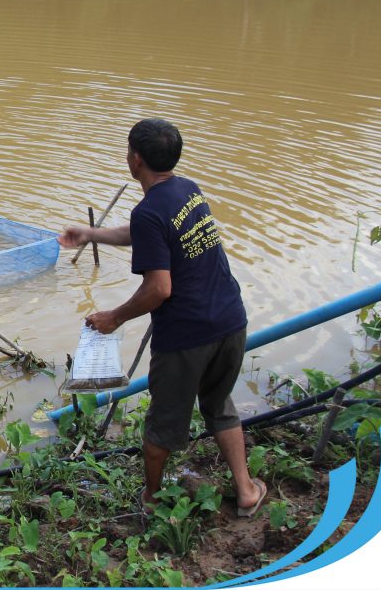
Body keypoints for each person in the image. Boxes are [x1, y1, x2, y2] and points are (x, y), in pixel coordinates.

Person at [59, 118, 266, 517]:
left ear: (135, 159)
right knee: (219, 404)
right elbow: (147, 232)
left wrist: (114, 317)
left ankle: (152, 499)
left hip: (188, 335)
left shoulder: (150, 212)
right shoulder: (187, 189)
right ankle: (245, 491)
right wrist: (90, 233)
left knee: (162, 423)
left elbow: (159, 289)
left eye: (128, 151)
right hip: (230, 319)